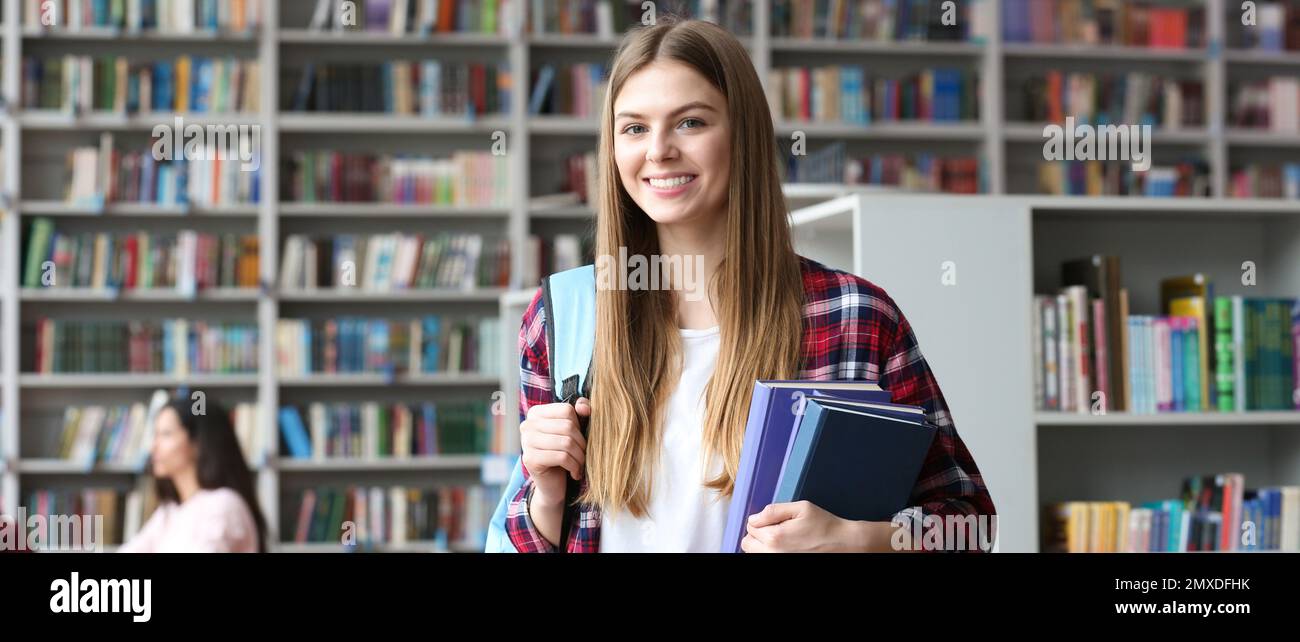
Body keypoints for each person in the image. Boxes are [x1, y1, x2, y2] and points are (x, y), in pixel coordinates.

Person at [504, 17, 995, 553]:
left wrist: (858, 539)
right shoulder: (562, 319)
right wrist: (546, 498)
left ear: (744, 133)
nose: (659, 150)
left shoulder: (855, 315)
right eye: (635, 128)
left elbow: (969, 527)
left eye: (690, 123)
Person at [119, 398, 267, 553]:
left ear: (198, 442)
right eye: (155, 435)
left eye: (166, 434)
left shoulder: (223, 504)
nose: (153, 447)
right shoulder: (170, 512)